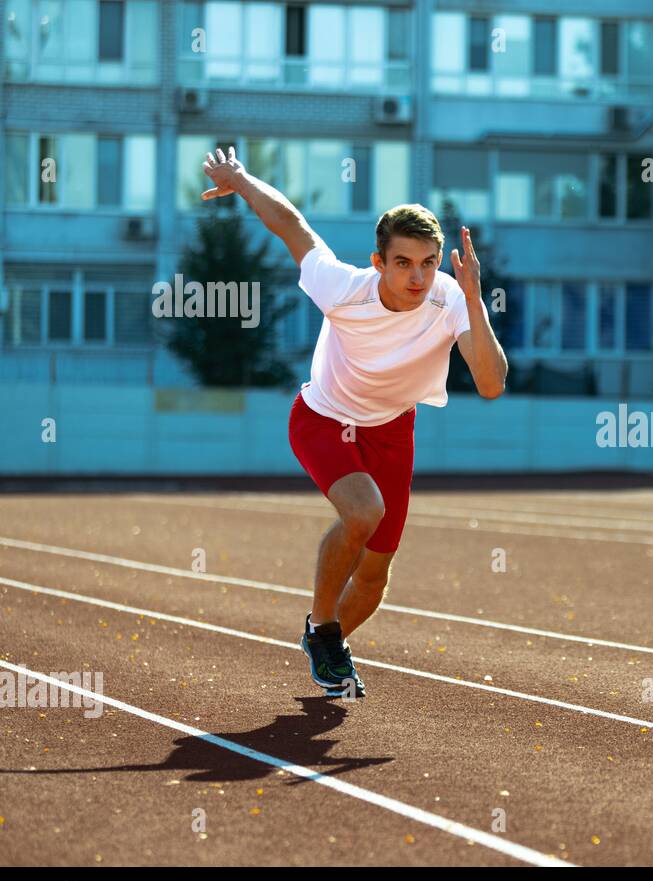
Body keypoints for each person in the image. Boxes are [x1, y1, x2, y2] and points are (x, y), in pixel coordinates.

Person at [200, 146, 508, 698]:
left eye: (428, 263)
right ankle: (321, 629)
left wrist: (475, 300)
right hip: (324, 419)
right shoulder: (342, 287)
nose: (418, 277)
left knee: (375, 574)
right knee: (364, 512)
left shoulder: (452, 299)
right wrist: (241, 179)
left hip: (392, 429)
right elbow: (293, 226)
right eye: (403, 263)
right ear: (378, 262)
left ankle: (330, 640)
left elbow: (490, 383)